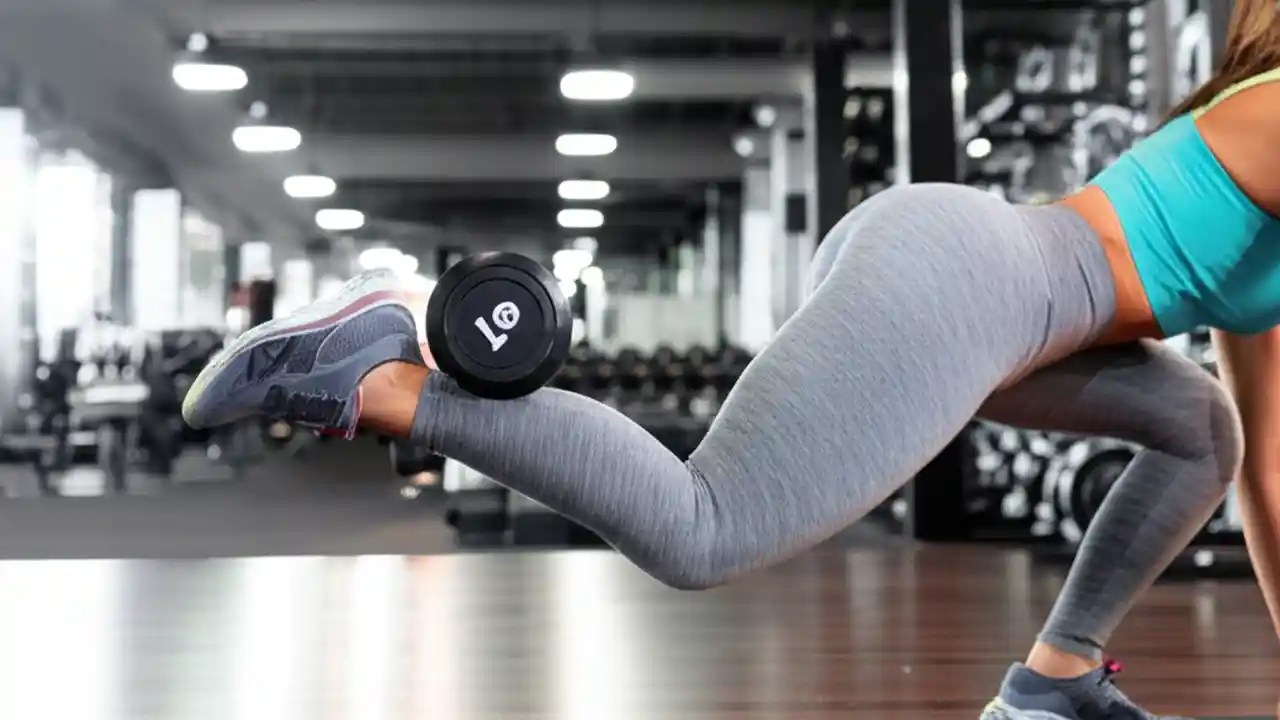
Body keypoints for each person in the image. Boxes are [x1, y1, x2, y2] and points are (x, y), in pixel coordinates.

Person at [183, 2, 1280, 717]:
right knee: (701, 528)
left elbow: (1259, 463)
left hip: (1006, 294)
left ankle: (1058, 681)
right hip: (977, 282)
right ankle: (377, 378)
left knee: (1198, 431)